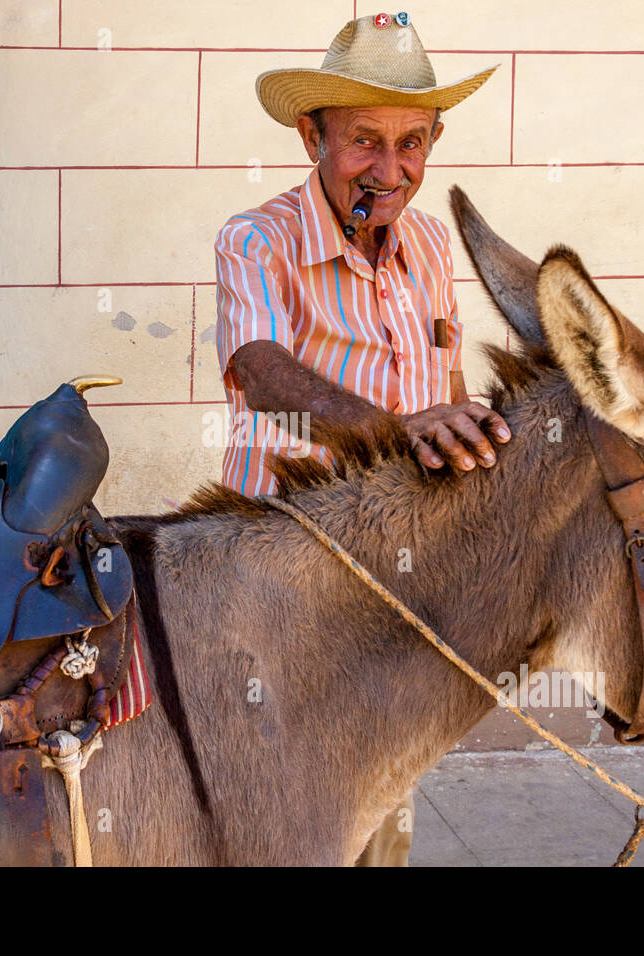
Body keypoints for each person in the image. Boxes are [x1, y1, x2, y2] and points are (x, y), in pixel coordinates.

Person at [212, 13, 512, 865]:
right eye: (364, 142)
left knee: (382, 807)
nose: (391, 171)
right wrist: (396, 434)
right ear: (313, 135)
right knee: (288, 813)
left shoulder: (425, 241)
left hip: (405, 585)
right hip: (287, 584)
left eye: (412, 143)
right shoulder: (256, 240)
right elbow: (262, 375)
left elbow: (441, 386)